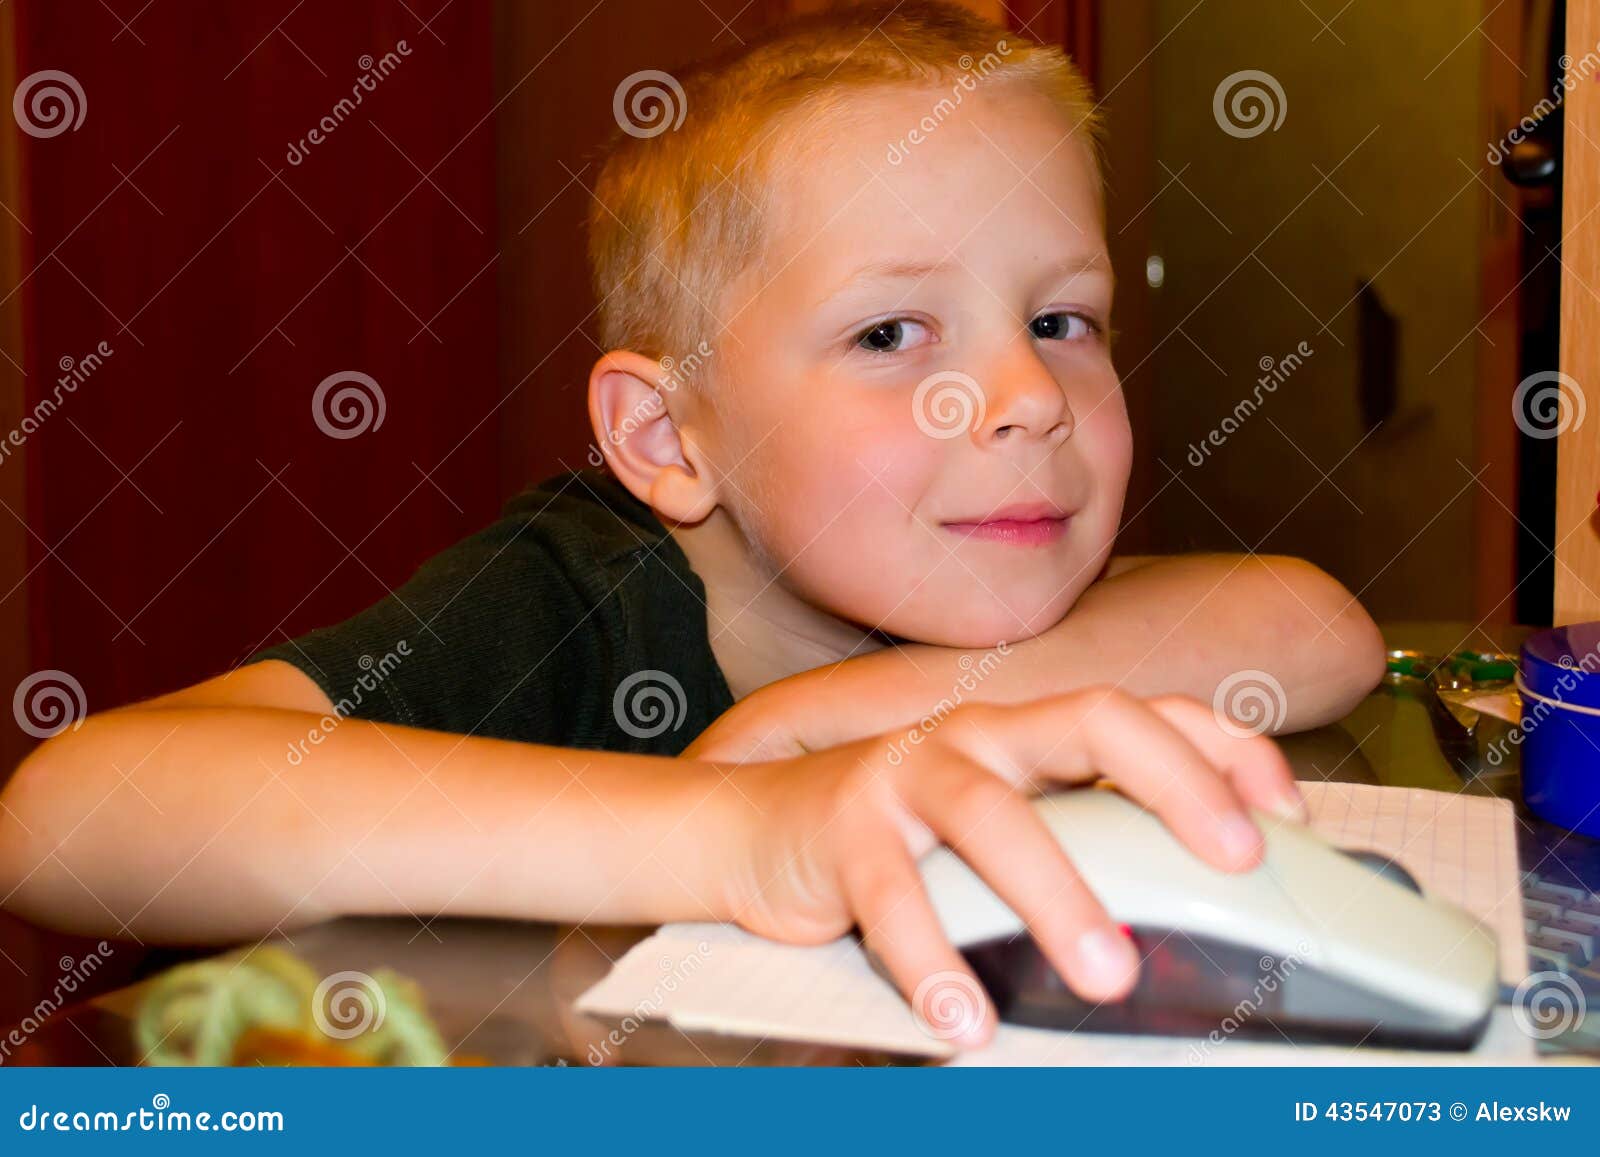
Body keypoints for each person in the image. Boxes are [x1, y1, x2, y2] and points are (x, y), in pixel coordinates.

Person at [0, 0, 1383, 1048]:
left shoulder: (986, 566)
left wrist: (869, 721)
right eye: (893, 331)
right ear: (670, 439)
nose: (1025, 397)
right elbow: (70, 812)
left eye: (1060, 319)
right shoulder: (575, 591)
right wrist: (741, 824)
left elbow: (1316, 627)